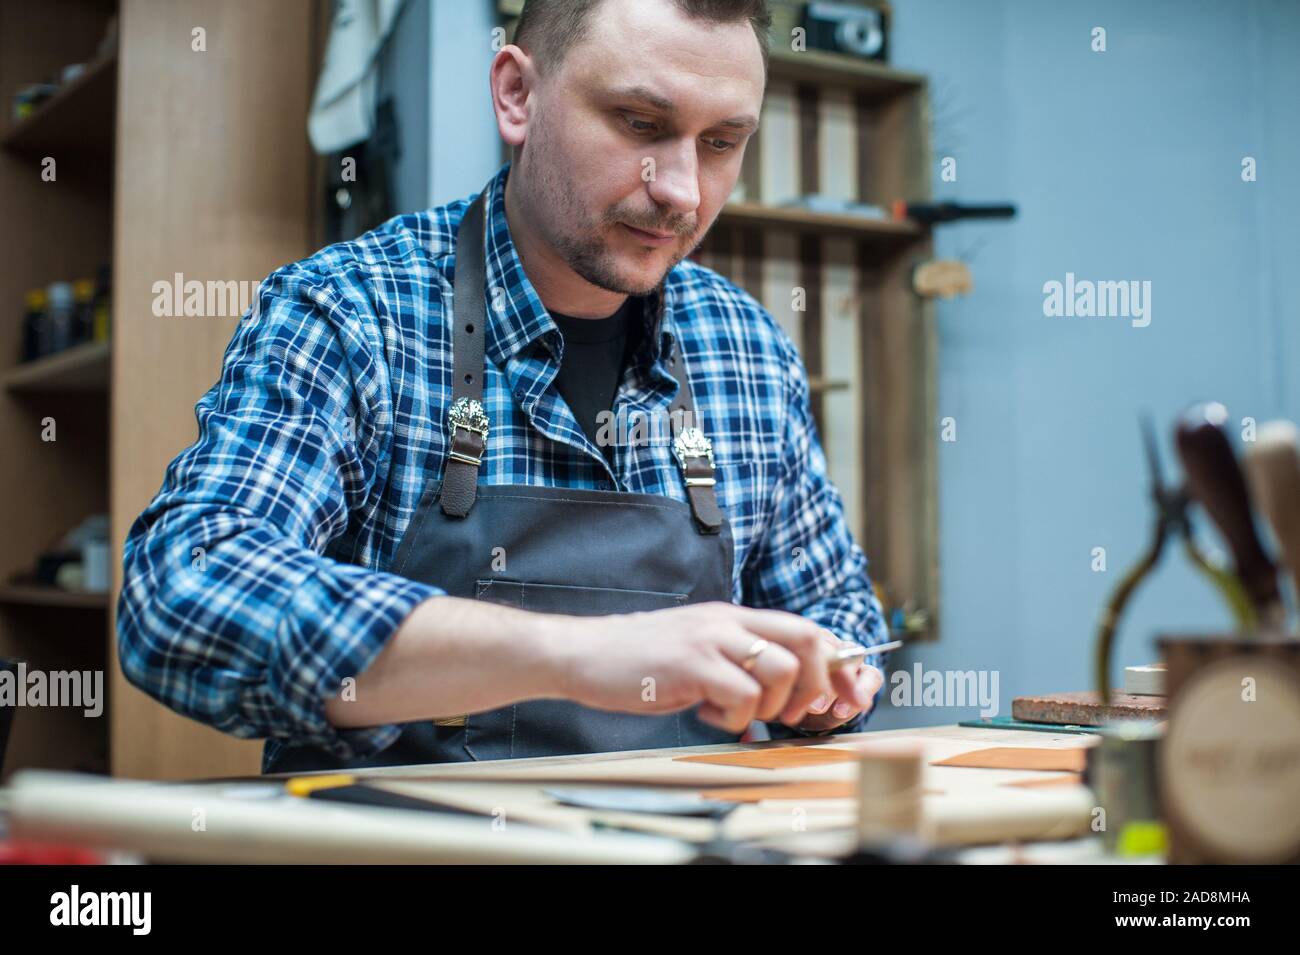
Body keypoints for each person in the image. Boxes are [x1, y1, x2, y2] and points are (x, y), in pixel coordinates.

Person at [118, 0, 889, 773]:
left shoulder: (748, 348)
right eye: (640, 124)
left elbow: (836, 608)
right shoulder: (354, 313)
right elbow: (183, 589)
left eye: (722, 142)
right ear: (517, 96)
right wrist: (576, 653)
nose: (683, 190)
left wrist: (826, 677)